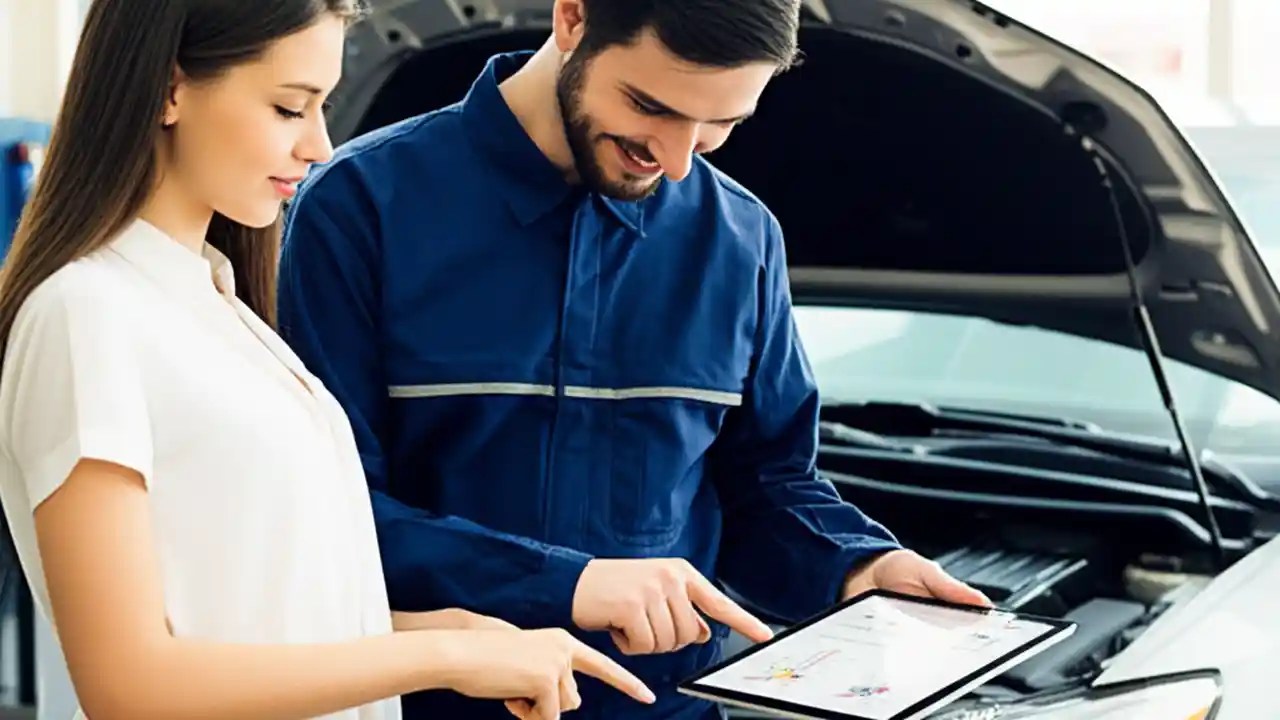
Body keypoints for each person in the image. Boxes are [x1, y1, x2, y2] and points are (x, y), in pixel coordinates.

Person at [278, 1, 990, 718]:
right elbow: (326, 519)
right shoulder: (357, 206)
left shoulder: (741, 237)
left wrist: (859, 566)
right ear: (573, 18)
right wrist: (568, 584)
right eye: (651, 105)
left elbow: (767, 486)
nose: (677, 159)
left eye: (721, 125)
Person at [0, 1, 657, 719]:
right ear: (169, 88)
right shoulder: (87, 313)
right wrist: (445, 655)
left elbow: (267, 618)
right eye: (289, 108)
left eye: (324, 107)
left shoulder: (219, 304)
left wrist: (459, 633)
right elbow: (130, 686)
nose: (319, 144)